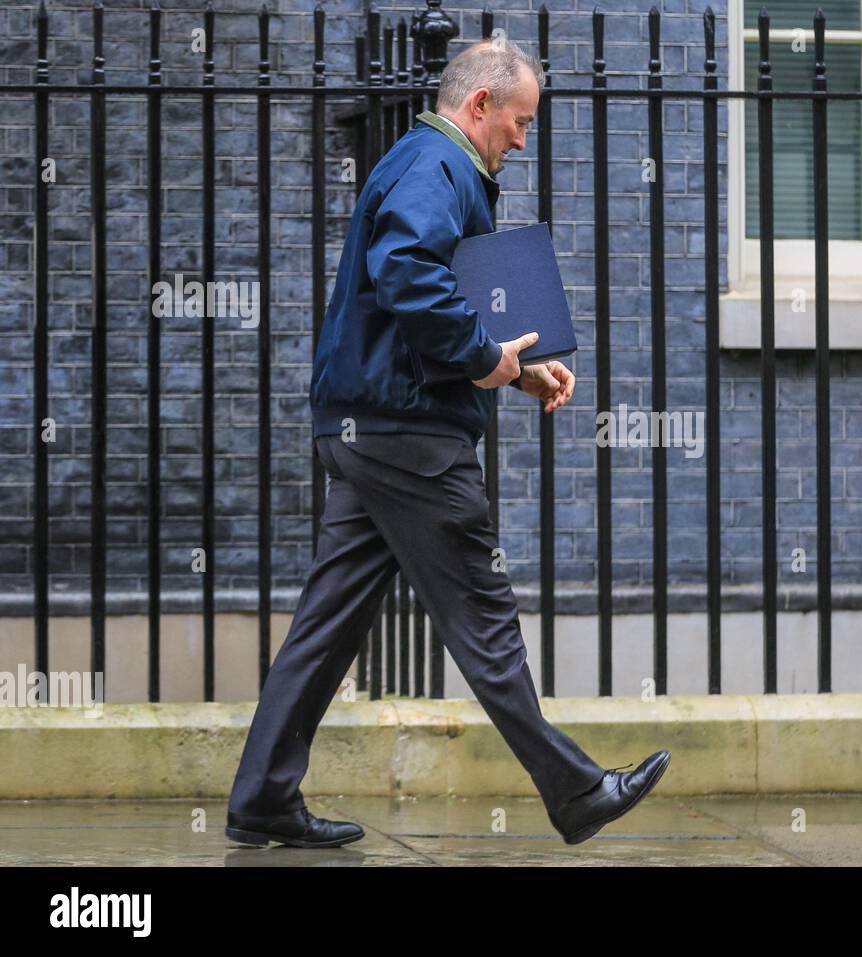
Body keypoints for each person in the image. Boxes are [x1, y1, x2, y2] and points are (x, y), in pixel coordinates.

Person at [225, 37, 669, 849]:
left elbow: (432, 290)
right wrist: (482, 358)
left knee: (327, 623)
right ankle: (576, 792)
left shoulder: (422, 160)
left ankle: (261, 797)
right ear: (479, 106)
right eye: (520, 121)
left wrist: (515, 369)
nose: (524, 140)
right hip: (411, 437)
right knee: (485, 617)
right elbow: (408, 270)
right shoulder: (439, 167)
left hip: (368, 428)